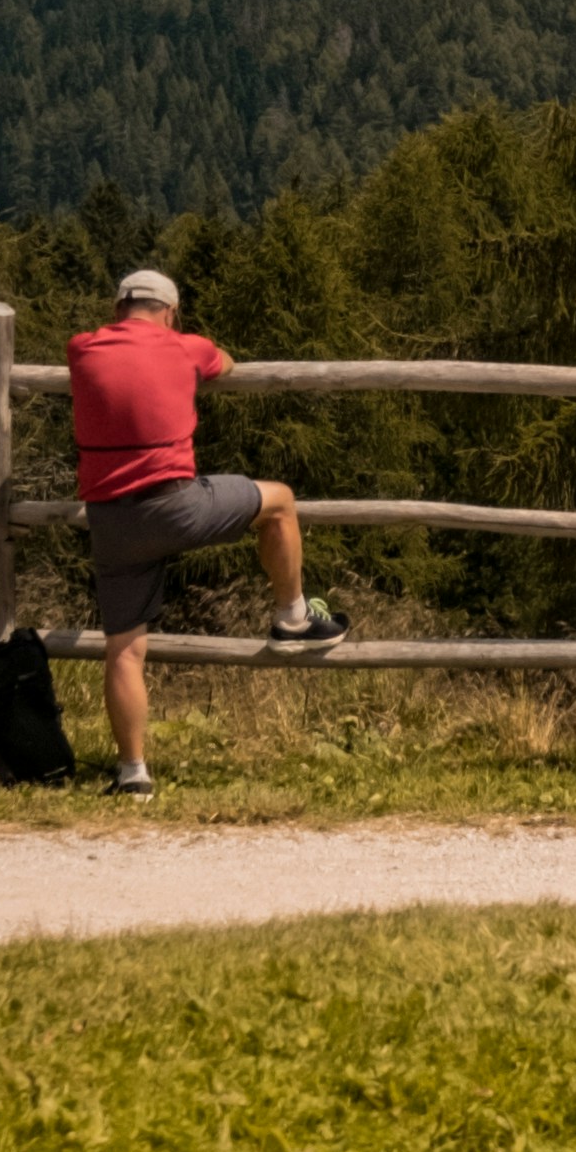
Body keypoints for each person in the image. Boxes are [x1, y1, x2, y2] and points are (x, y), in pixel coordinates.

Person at [68, 266, 346, 796]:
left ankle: (133, 775)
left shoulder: (81, 349)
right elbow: (224, 363)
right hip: (178, 507)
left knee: (124, 650)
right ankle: (292, 618)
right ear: (170, 312)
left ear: (118, 308)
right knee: (281, 502)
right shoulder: (186, 348)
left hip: (111, 520)